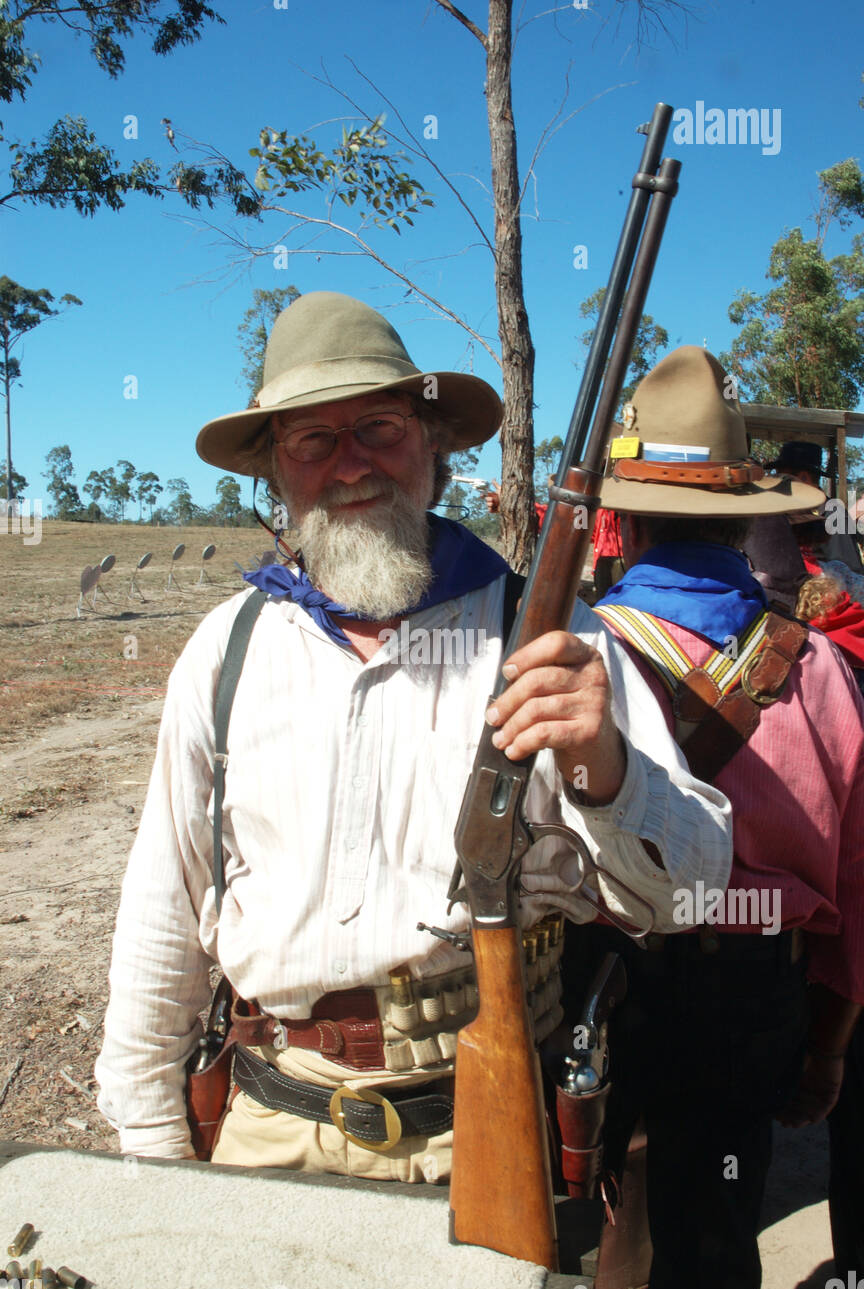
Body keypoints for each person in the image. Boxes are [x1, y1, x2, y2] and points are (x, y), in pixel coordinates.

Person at [95, 293, 732, 1183]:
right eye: (313, 440)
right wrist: (150, 1148)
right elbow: (163, 911)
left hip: (485, 1125)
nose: (351, 464)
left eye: (379, 427)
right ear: (276, 467)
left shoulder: (550, 638)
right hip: (268, 1122)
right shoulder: (226, 651)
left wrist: (605, 769)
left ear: (434, 441)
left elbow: (694, 891)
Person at [582, 345, 864, 1289]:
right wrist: (828, 1042)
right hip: (757, 999)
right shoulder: (821, 669)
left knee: (598, 1227)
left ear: (619, 521)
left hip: (604, 987)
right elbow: (855, 883)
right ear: (748, 517)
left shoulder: (575, 662)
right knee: (717, 1243)